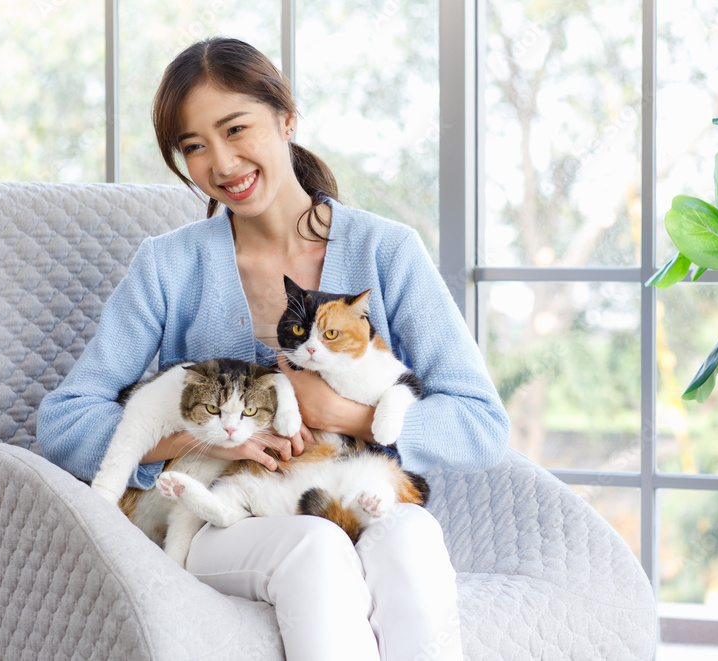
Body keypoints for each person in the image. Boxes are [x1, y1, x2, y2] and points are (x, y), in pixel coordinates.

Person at [38, 37, 510, 661]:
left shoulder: (386, 252)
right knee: (315, 551)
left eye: (237, 129)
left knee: (412, 540)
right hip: (221, 515)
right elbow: (65, 419)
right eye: (194, 147)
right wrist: (196, 439)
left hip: (345, 492)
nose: (222, 163)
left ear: (286, 119)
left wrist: (342, 414)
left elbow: (481, 426)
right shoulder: (169, 266)